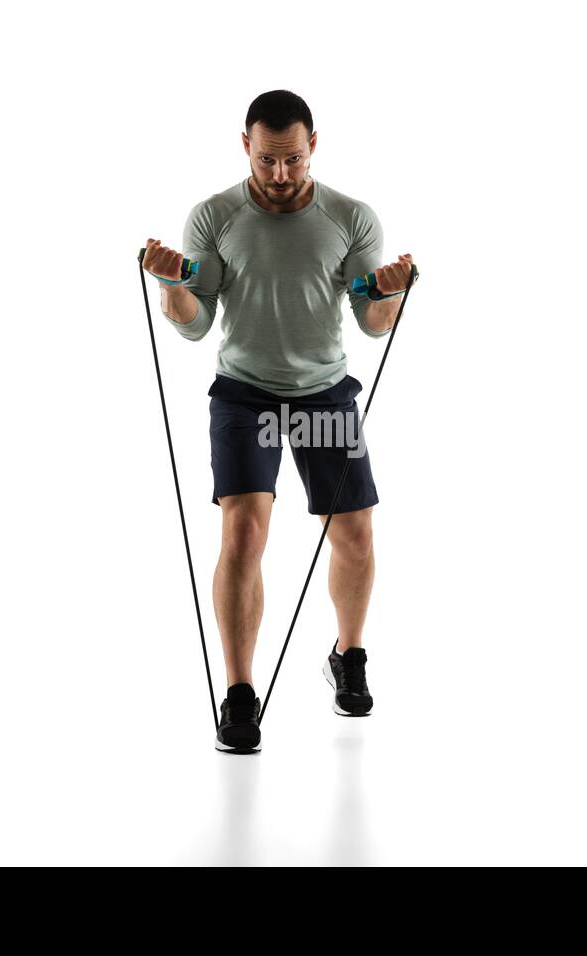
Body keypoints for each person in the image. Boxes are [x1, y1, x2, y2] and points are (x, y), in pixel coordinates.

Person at [141, 90, 418, 754]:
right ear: (246, 148)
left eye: (293, 159)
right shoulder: (214, 217)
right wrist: (171, 286)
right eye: (268, 160)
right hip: (245, 397)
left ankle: (347, 655)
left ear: (313, 146)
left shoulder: (351, 219)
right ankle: (239, 692)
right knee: (243, 534)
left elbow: (370, 321)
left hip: (323, 396)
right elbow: (197, 323)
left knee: (353, 536)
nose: (282, 174)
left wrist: (390, 293)